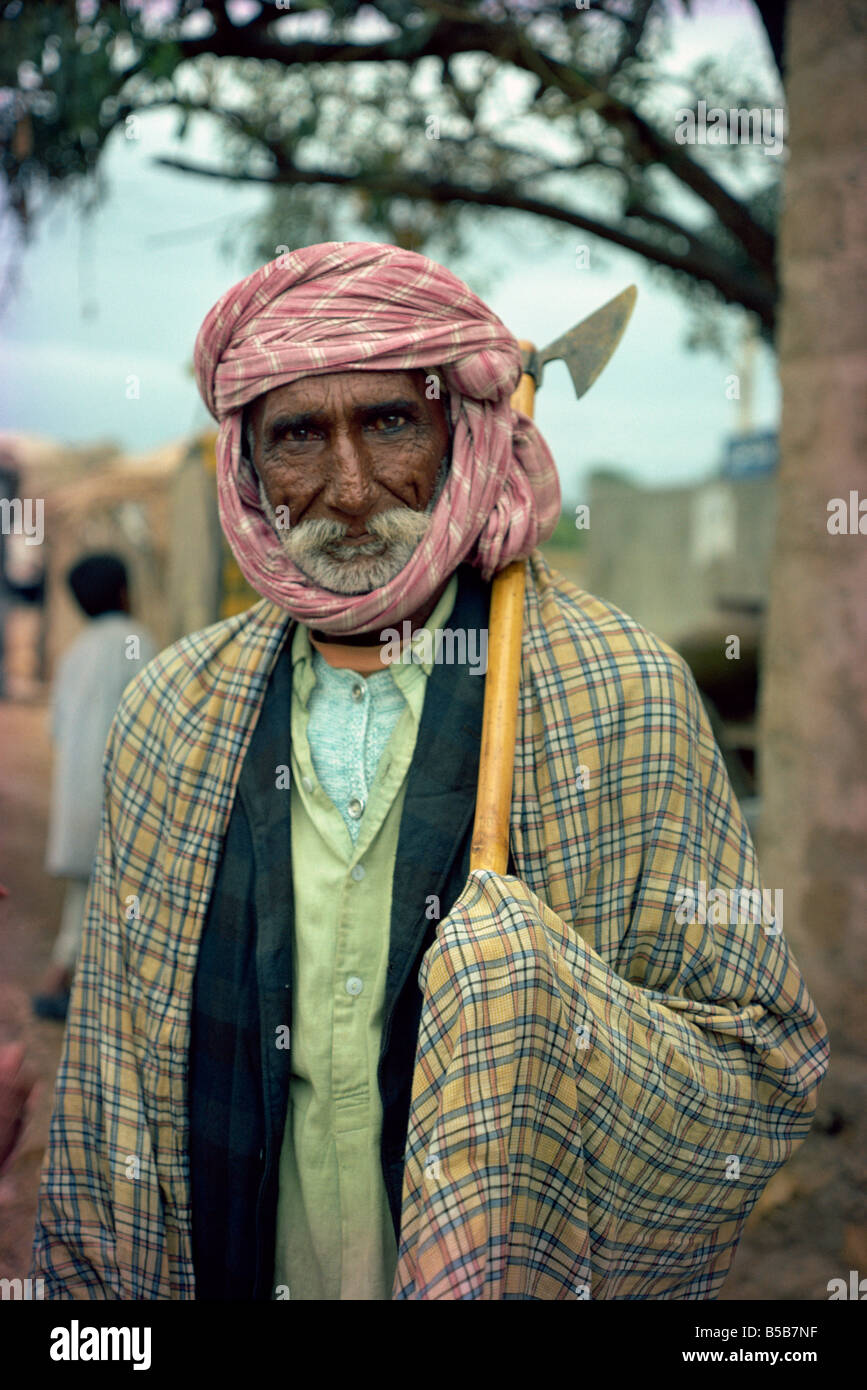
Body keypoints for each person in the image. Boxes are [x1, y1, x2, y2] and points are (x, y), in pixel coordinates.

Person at [32, 242, 829, 1301]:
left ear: (464, 432)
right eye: (300, 436)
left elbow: (762, 1071)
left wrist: (537, 991)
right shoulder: (173, 712)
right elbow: (108, 1093)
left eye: (393, 422)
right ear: (246, 466)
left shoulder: (620, 691)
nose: (352, 489)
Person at [33, 553, 157, 1020]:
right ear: (125, 592)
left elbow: (57, 728)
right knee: (125, 897)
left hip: (76, 794)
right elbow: (153, 714)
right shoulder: (135, 641)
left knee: (86, 895)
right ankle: (101, 996)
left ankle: (66, 983)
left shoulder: (76, 652)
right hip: (119, 793)